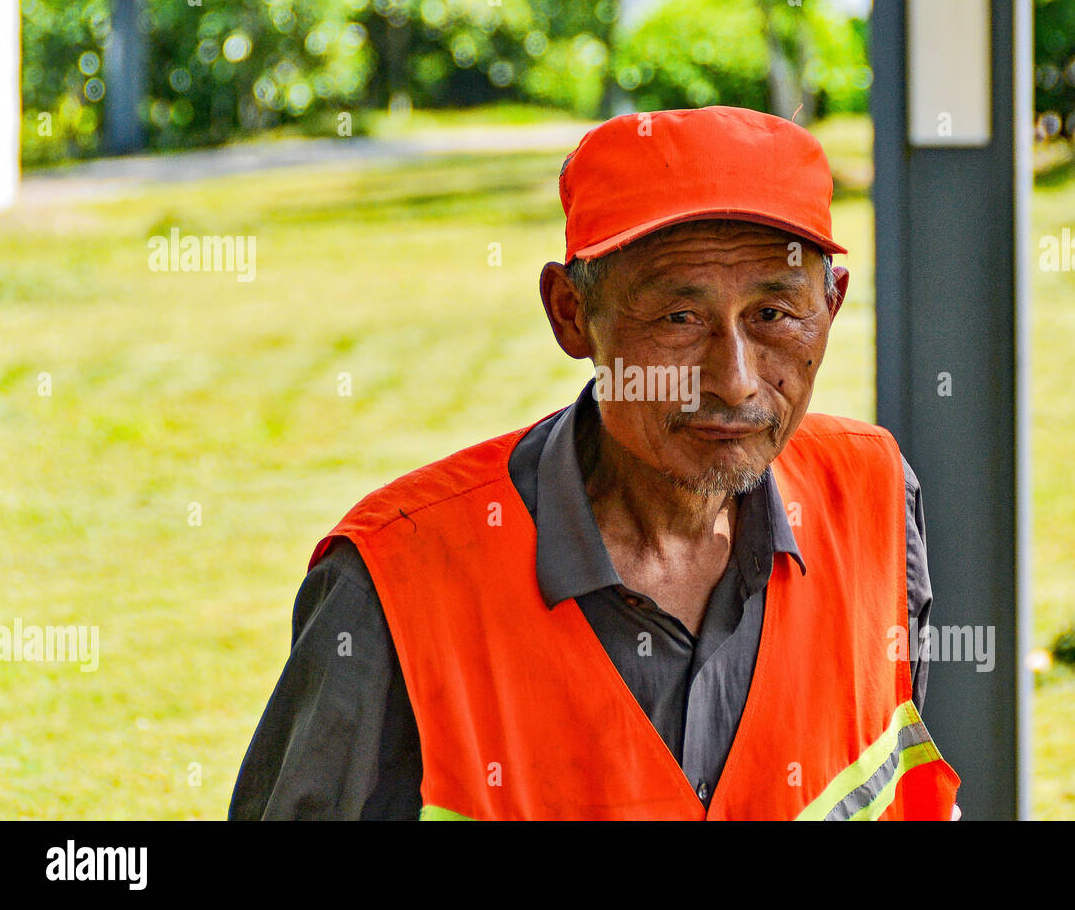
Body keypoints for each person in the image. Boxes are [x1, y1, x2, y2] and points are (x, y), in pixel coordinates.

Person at [229, 105, 960, 820]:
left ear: (830, 306)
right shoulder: (398, 581)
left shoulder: (874, 496)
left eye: (773, 314)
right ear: (570, 314)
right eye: (679, 318)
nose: (734, 380)